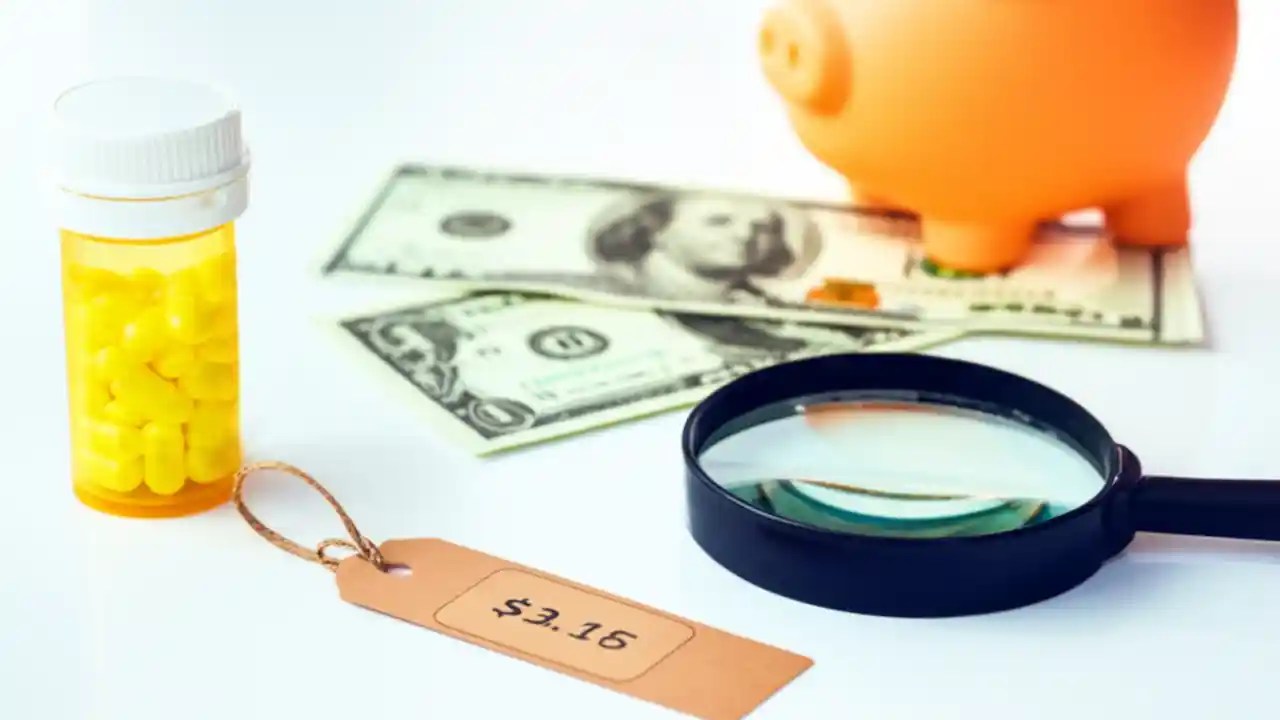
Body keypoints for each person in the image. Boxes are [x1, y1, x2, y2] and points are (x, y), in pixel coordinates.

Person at [588, 192, 819, 304]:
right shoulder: (600, 294)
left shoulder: (770, 307)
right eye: (719, 222)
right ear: (656, 230)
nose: (744, 235)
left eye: (762, 227)